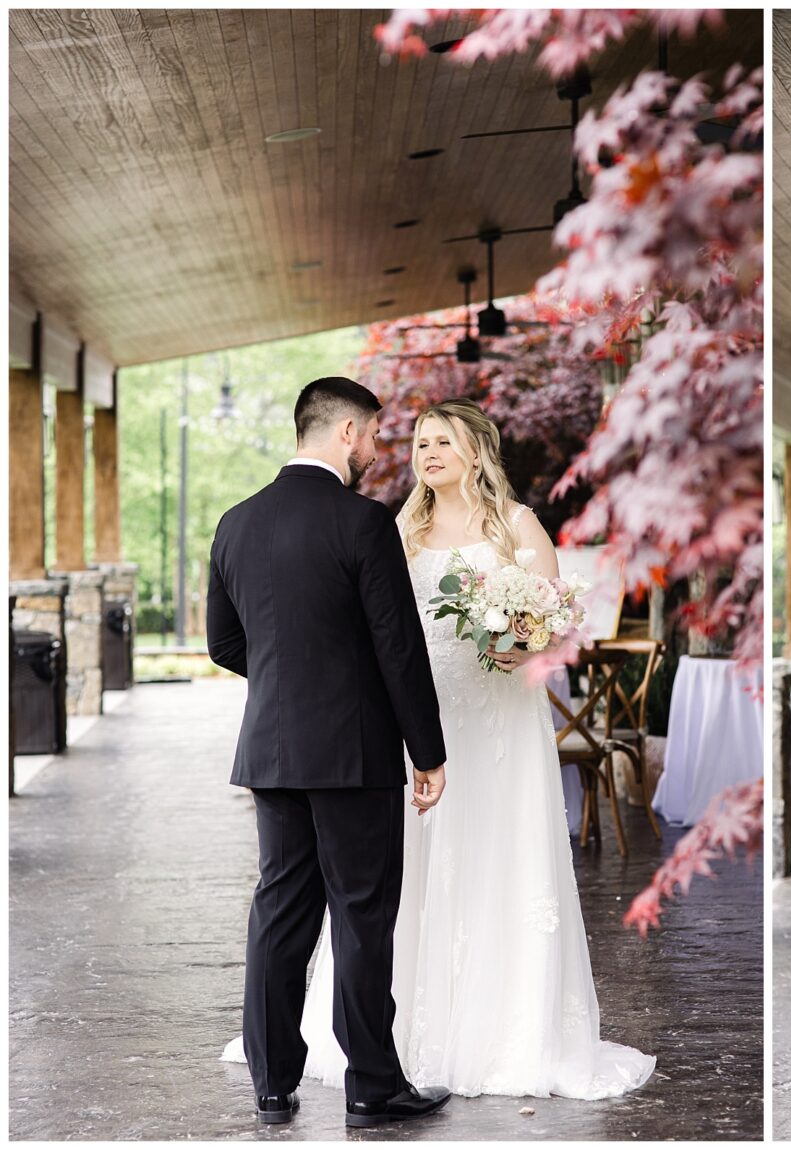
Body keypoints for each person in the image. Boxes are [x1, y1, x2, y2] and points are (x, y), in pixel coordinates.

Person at [227, 397, 655, 1099]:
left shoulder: (518, 525)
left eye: (443, 443)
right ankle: (393, 1040)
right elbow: (380, 629)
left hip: (497, 719)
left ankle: (500, 1033)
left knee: (496, 858)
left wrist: (529, 644)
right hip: (415, 721)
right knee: (398, 882)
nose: (427, 455)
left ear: (477, 452)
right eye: (421, 443)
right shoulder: (398, 526)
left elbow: (557, 623)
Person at [207, 376, 451, 1129]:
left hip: (273, 754)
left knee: (279, 914)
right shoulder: (363, 522)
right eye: (375, 434)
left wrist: (291, 680)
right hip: (354, 756)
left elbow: (225, 645)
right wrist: (428, 751)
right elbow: (398, 650)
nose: (378, 449)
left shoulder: (235, 522)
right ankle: (373, 1085)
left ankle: (273, 1086)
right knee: (360, 915)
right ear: (347, 433)